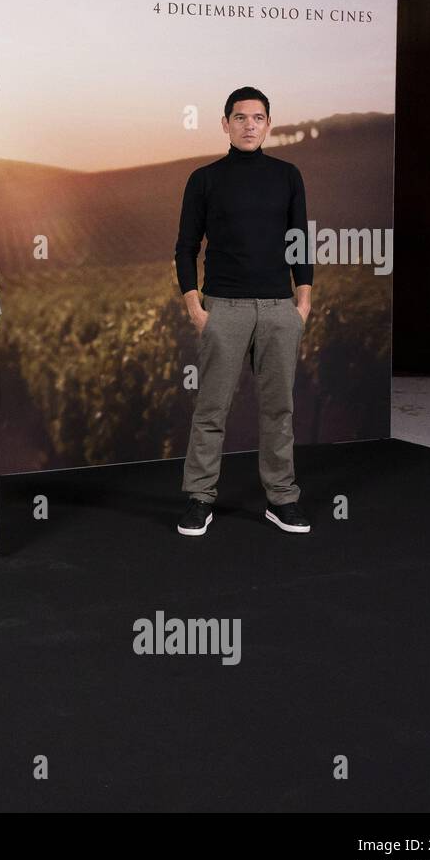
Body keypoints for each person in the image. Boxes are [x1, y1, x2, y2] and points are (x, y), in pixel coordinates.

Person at [174, 86, 312, 536]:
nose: (249, 125)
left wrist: (303, 302)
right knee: (211, 410)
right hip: (224, 308)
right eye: (240, 117)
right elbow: (186, 247)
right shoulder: (205, 179)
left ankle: (283, 499)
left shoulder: (288, 175)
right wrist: (195, 304)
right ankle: (199, 498)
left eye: (257, 118)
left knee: (279, 410)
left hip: (278, 308)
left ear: (269, 124)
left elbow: (300, 242)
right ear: (225, 124)